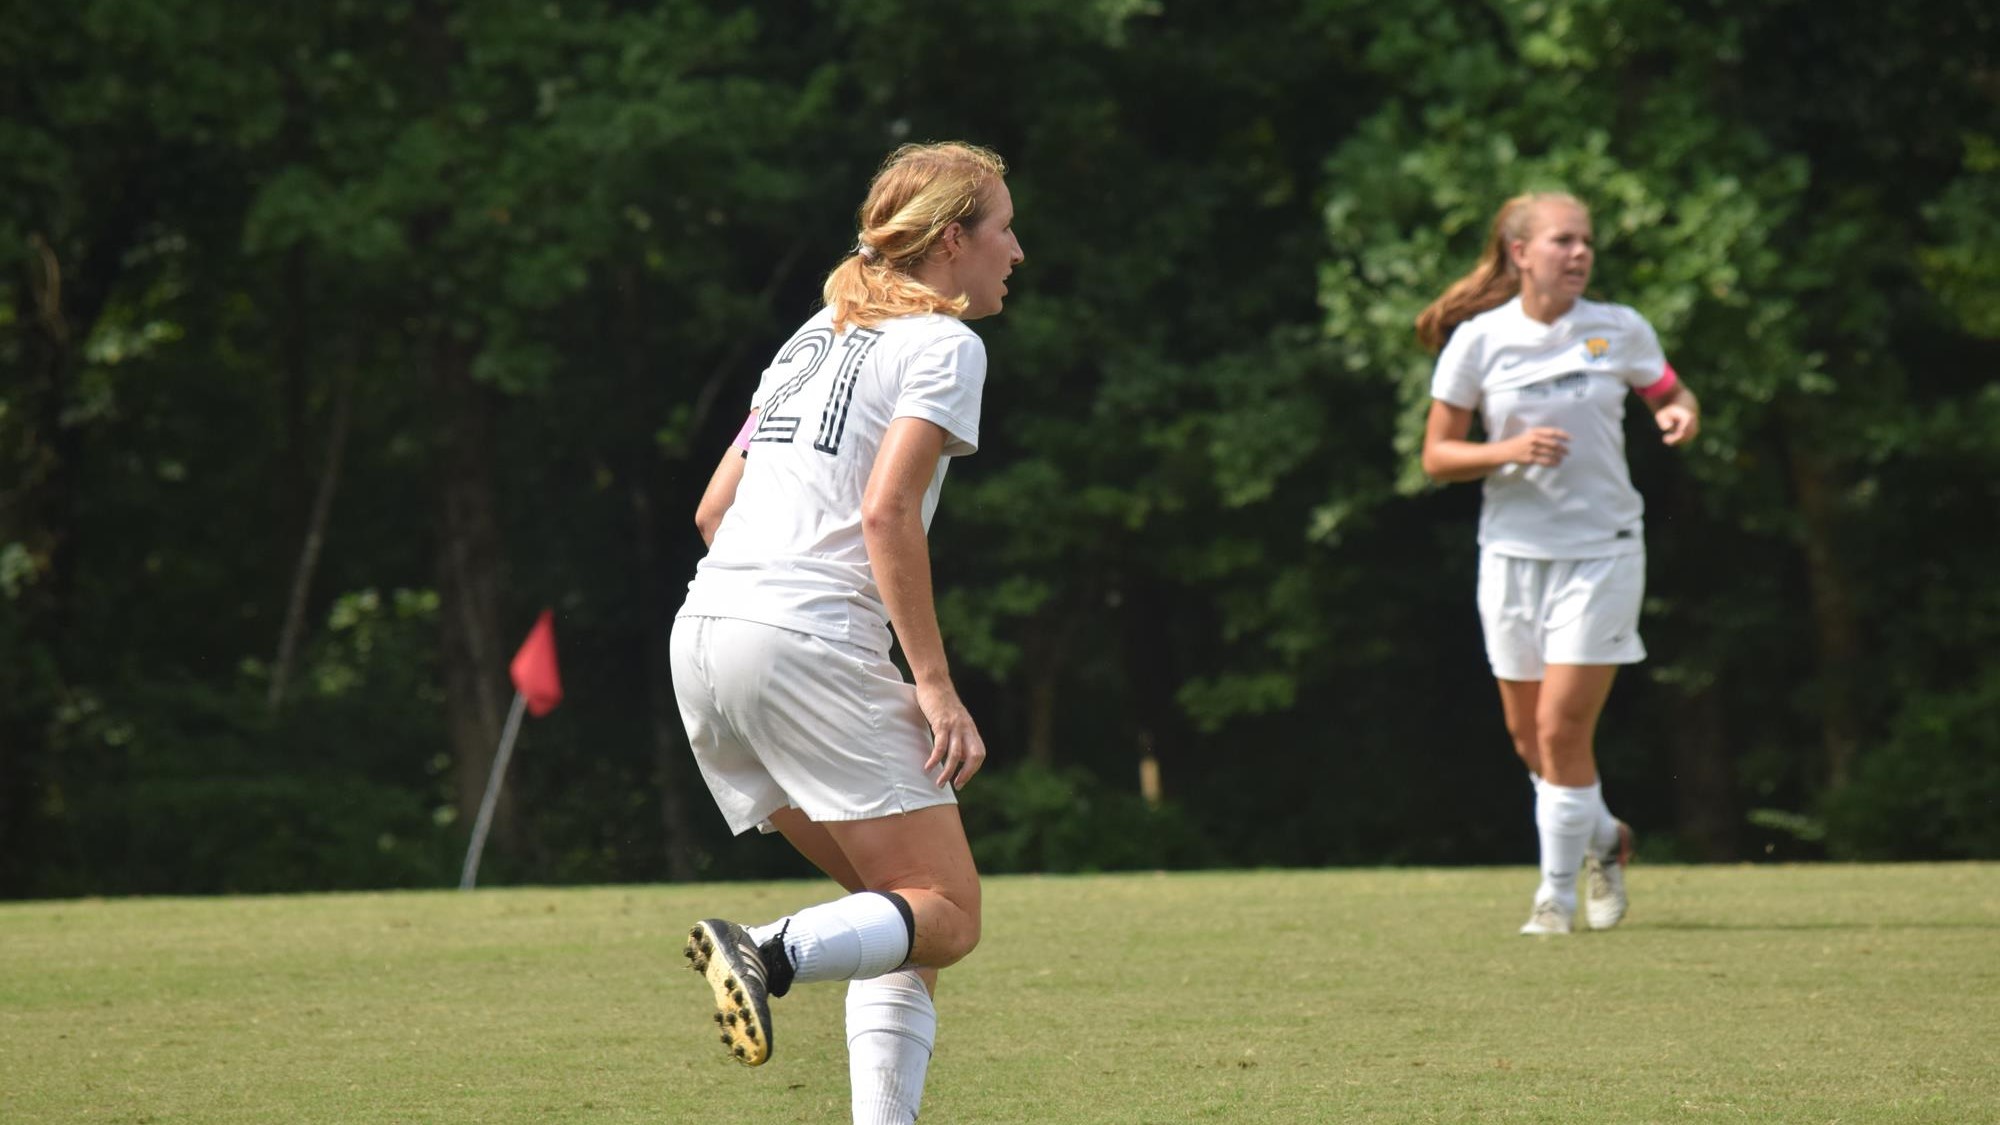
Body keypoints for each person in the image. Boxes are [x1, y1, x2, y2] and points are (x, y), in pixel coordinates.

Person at [669, 141, 1022, 1123]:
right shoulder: (944, 344)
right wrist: (934, 682)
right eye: (1001, 226)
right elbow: (884, 511)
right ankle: (768, 950)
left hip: (705, 634)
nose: (1016, 250)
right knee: (944, 916)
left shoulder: (812, 334)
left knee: (897, 907)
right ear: (952, 239)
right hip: (800, 640)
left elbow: (711, 512)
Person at [1415, 191, 1699, 936]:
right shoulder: (1479, 341)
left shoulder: (1617, 329)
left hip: (1602, 552)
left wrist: (1678, 411)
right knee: (1530, 739)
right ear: (1520, 253)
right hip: (1511, 557)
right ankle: (1604, 836)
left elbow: (1668, 389)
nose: (1579, 254)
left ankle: (1555, 898)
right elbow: (1438, 455)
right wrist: (1507, 450)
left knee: (1561, 728)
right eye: (1563, 241)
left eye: (1586, 242)